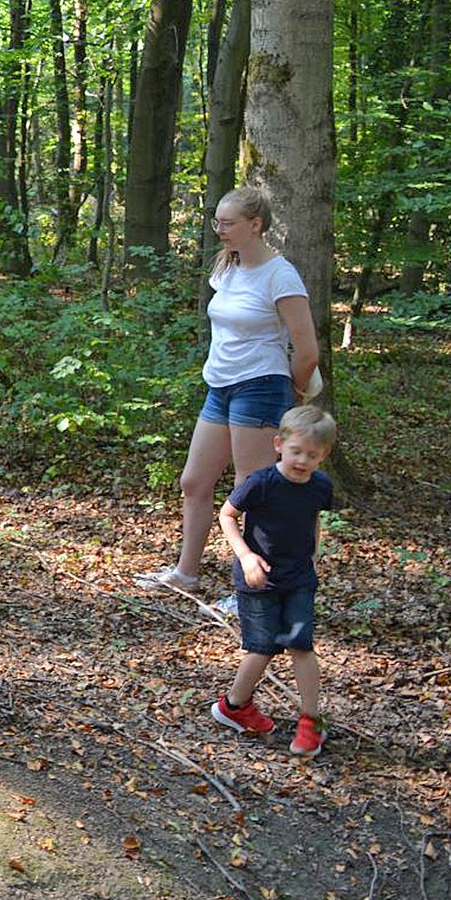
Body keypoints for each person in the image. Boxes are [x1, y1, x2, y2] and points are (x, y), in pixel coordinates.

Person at [136, 186, 320, 593]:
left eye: (228, 223)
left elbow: (307, 351)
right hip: (219, 387)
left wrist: (293, 392)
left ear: (255, 225)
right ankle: (186, 574)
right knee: (194, 482)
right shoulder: (227, 267)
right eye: (216, 221)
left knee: (250, 492)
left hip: (261, 387)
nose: (218, 229)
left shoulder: (280, 275)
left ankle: (254, 591)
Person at [209, 405, 337, 758]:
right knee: (262, 647)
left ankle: (311, 721)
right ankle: (234, 706)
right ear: (279, 444)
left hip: (298, 579)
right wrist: (246, 556)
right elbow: (227, 515)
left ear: (324, 455)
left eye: (312, 455)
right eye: (296, 451)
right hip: (258, 580)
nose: (302, 460)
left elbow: (312, 519)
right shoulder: (262, 482)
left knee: (301, 645)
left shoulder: (320, 486)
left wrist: (313, 555)